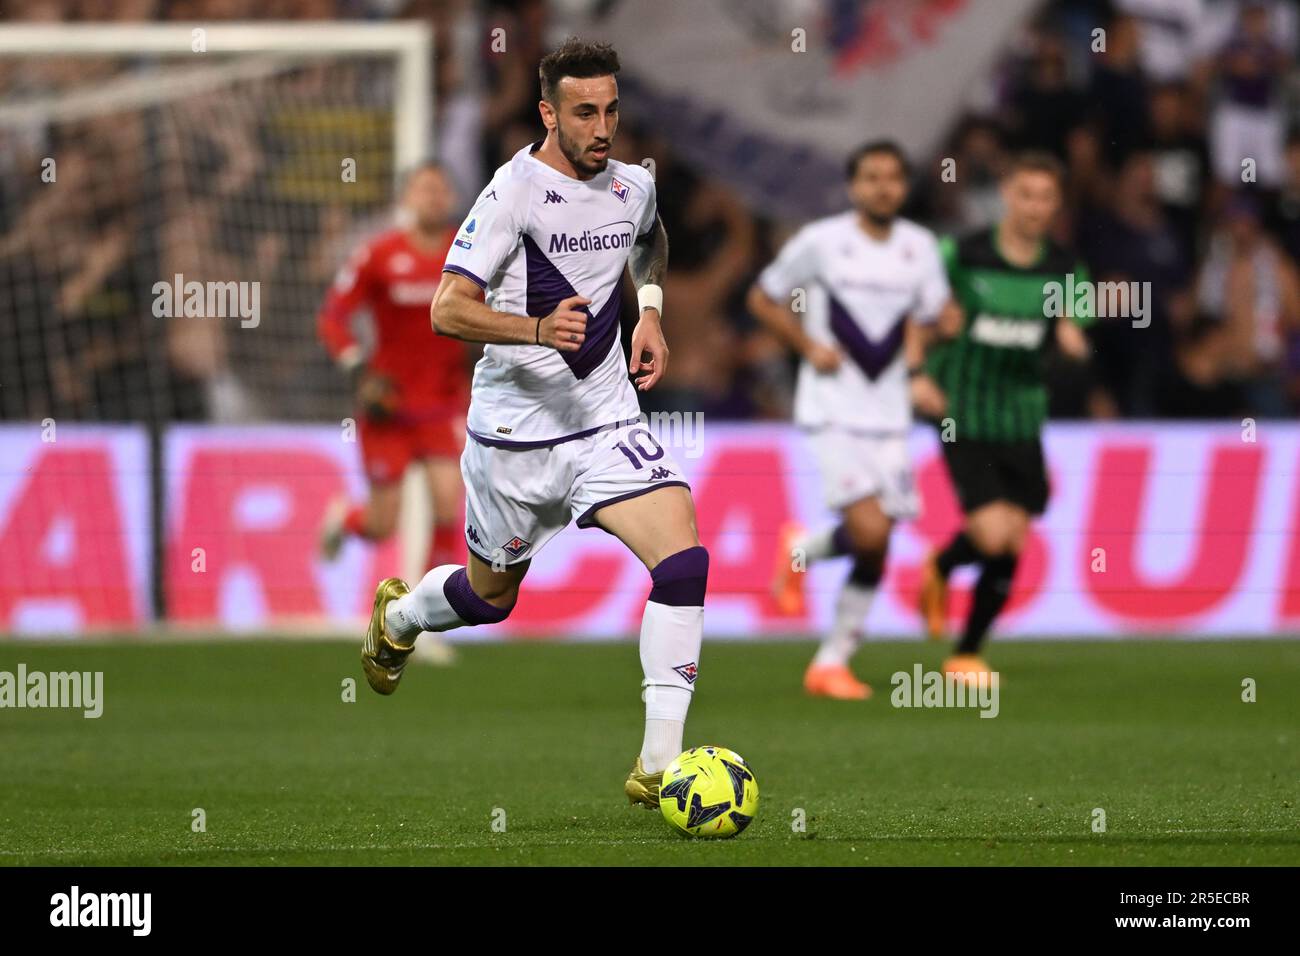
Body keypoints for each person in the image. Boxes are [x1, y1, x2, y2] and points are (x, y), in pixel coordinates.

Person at [360, 38, 709, 810]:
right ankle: (403, 614)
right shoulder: (512, 192)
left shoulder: (632, 185)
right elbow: (446, 307)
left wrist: (647, 313)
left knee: (683, 561)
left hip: (605, 423)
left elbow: (649, 240)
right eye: (585, 112)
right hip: (513, 442)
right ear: (548, 112)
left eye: (612, 109)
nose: (602, 126)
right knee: (490, 599)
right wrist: (534, 329)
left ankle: (658, 765)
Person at [749, 141, 948, 700]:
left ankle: (804, 556)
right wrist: (806, 345)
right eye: (871, 177)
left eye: (892, 178)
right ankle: (830, 660)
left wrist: (923, 361)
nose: (882, 187)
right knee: (869, 530)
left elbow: (930, 319)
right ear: (853, 186)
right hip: (832, 409)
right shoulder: (822, 242)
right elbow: (763, 299)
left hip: (890, 416)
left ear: (903, 187)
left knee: (877, 543)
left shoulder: (920, 248)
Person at [917, 152, 1091, 681]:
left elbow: (1077, 334)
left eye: (1046, 197)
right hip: (963, 410)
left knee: (1013, 538)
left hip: (1023, 416)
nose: (1035, 207)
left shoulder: (1064, 267)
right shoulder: (962, 253)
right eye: (1026, 194)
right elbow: (918, 312)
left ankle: (966, 650)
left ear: (1057, 203)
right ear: (1007, 195)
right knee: (994, 535)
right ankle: (944, 572)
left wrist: (1073, 340)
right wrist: (917, 372)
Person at [317, 161, 470, 586]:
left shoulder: (468, 253)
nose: (433, 198)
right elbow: (333, 316)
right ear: (406, 199)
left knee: (447, 504)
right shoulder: (379, 254)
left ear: (452, 200)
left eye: (440, 191)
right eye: (424, 190)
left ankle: (426, 615)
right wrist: (356, 367)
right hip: (389, 403)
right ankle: (346, 519)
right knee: (383, 525)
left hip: (443, 402)